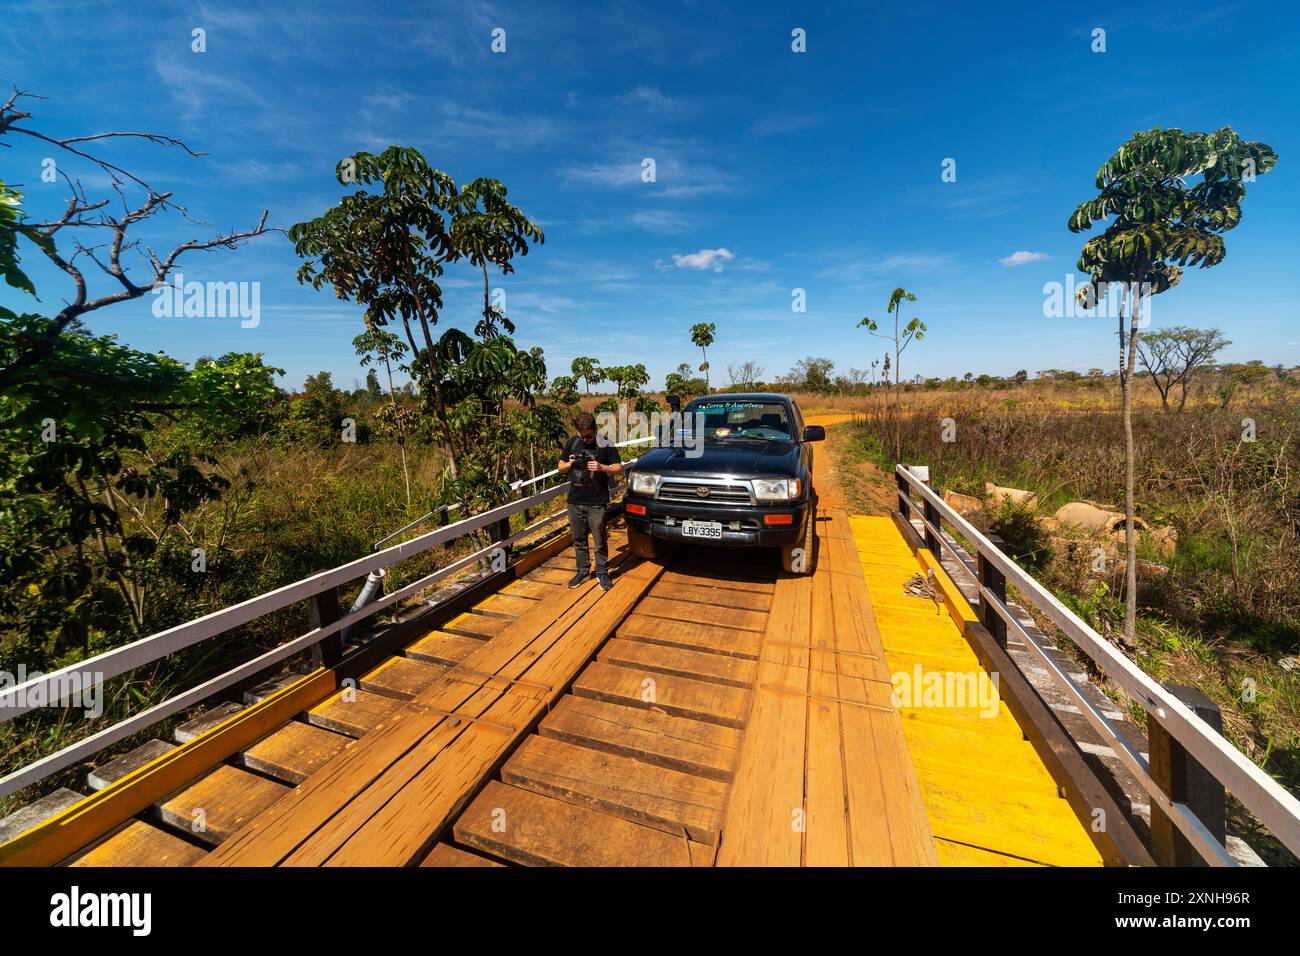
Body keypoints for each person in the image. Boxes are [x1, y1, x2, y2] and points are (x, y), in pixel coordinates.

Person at [557, 412, 623, 590]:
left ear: (595, 430)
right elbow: (560, 468)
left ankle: (602, 571)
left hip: (597, 501)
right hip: (575, 501)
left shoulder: (606, 444)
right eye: (582, 436)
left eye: (589, 436)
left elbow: (618, 468)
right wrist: (570, 464)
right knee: (579, 539)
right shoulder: (572, 443)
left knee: (600, 539)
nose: (585, 439)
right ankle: (583, 570)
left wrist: (602, 467)